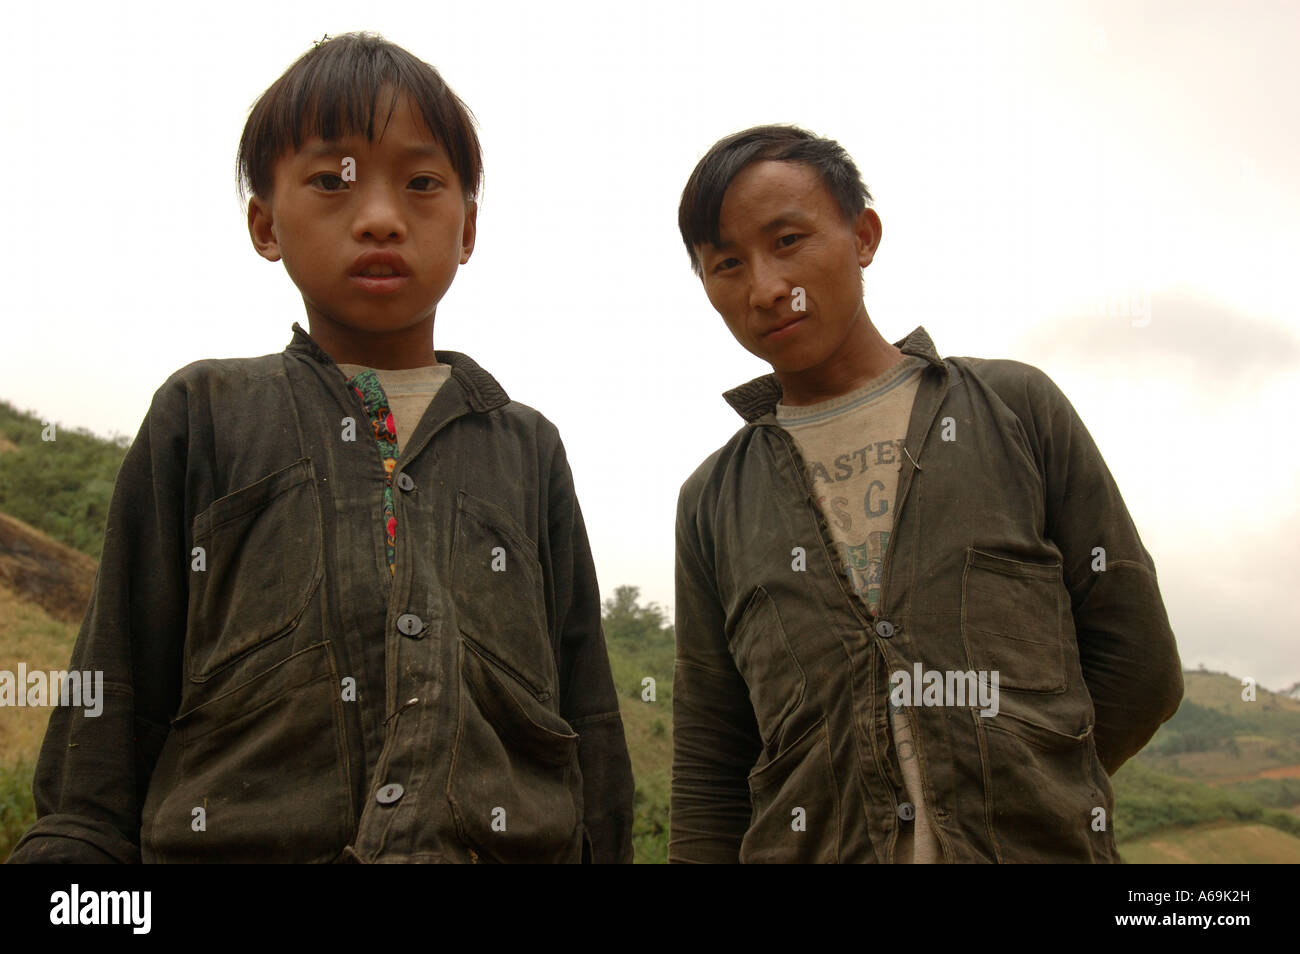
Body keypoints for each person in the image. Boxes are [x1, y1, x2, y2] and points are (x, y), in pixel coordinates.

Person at [8, 32, 633, 864]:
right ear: (266, 224)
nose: (379, 217)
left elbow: (586, 721)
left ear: (467, 227)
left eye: (421, 183)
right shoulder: (204, 413)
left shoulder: (526, 449)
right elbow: (108, 714)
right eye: (331, 181)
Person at [668, 124, 1183, 863]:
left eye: (788, 241)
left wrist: (1036, 784)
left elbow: (1139, 663)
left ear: (863, 235)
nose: (766, 287)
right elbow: (712, 761)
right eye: (726, 264)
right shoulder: (713, 500)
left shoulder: (1015, 409)